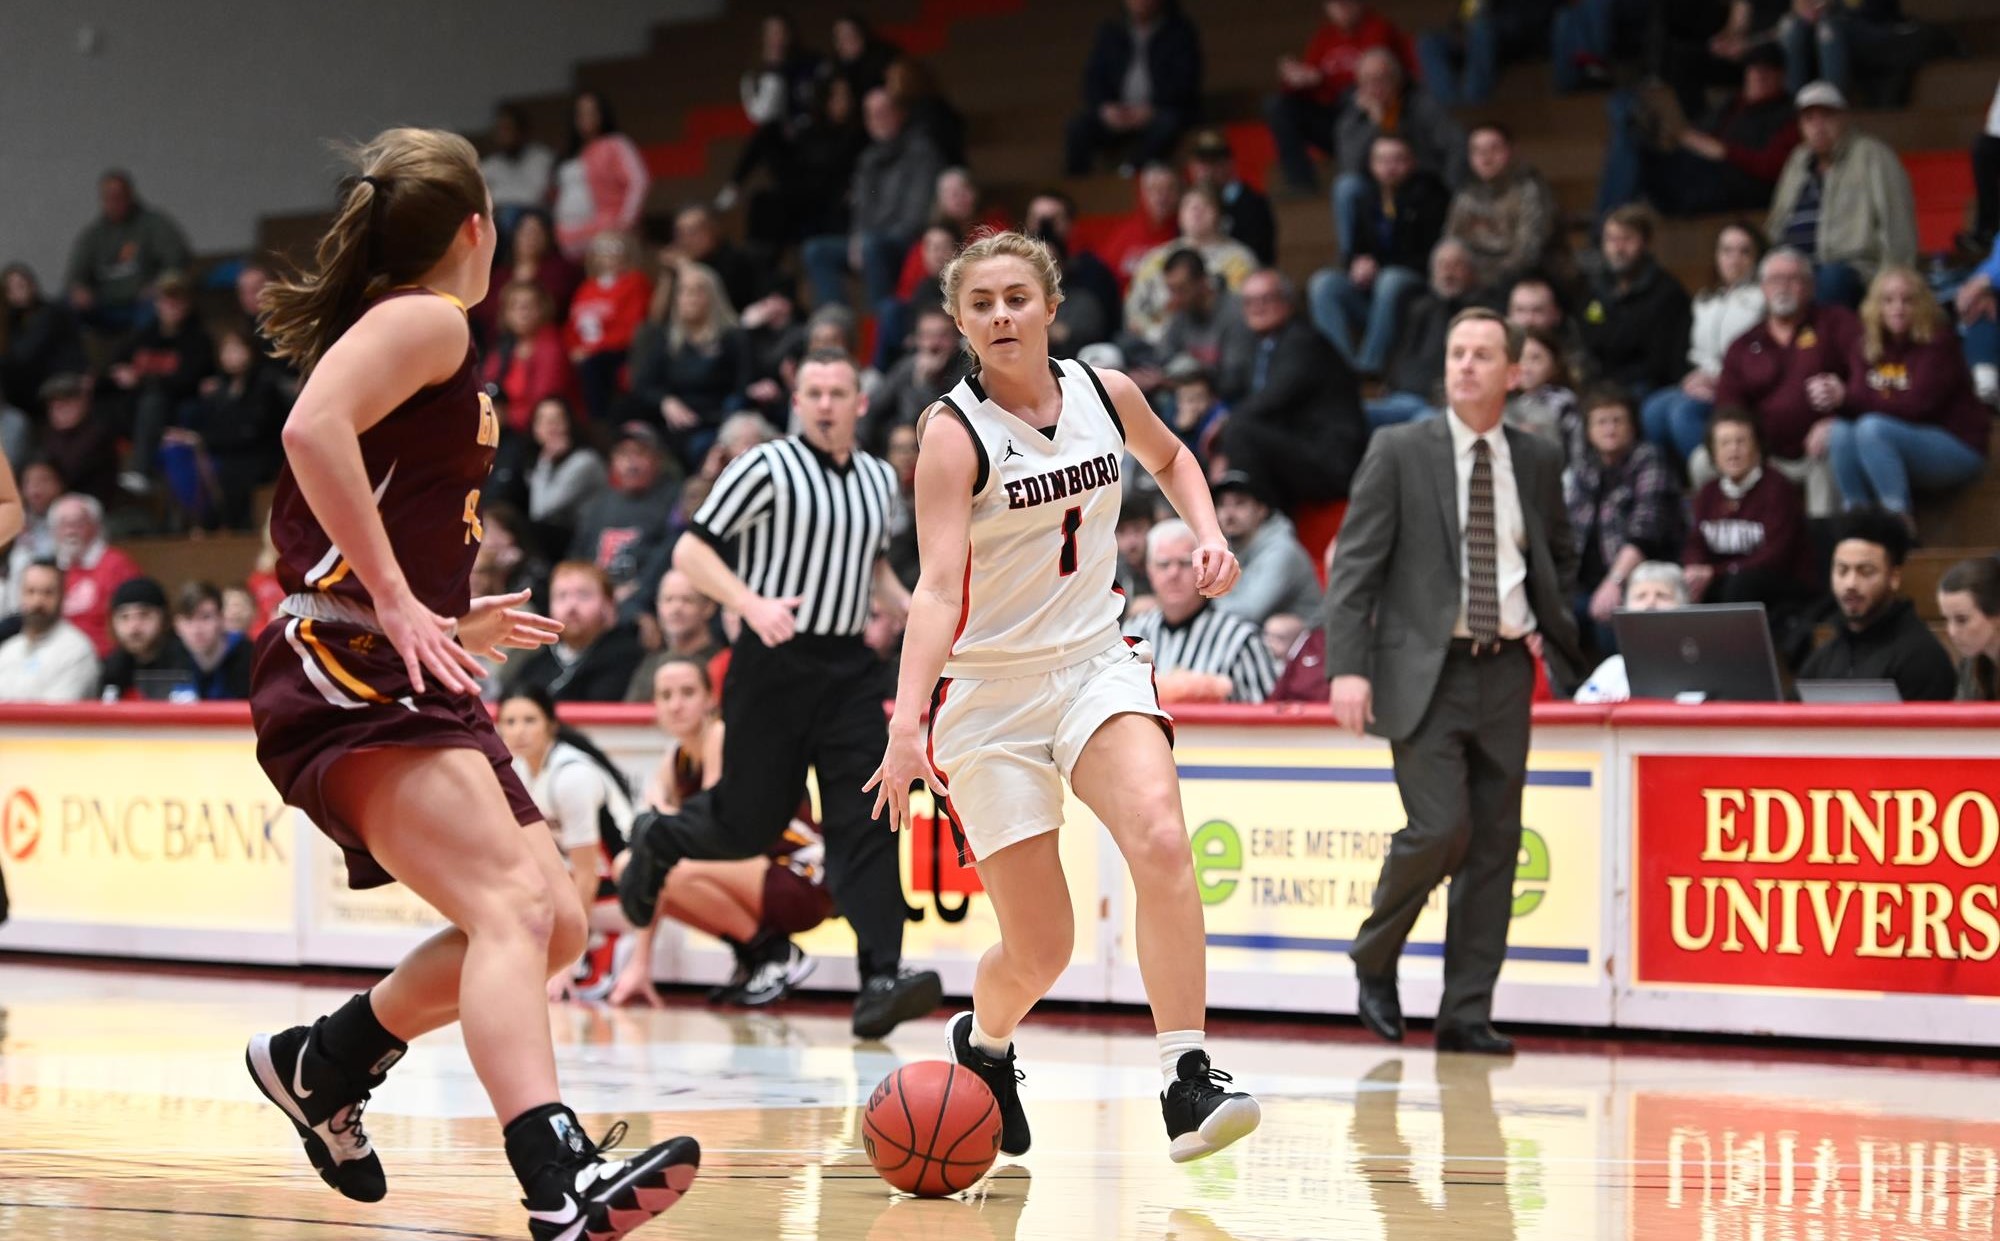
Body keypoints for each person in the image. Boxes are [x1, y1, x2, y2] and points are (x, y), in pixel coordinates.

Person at [238, 128, 698, 1236]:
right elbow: (311, 431)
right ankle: (555, 1170)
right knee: (506, 906)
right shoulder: (427, 317)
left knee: (551, 927)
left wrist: (434, 613)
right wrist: (397, 599)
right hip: (347, 663)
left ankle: (325, 1059)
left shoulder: (418, 329)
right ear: (478, 229)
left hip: (402, 656)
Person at [865, 229, 1259, 1164]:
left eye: (1017, 297)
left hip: (1093, 659)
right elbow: (934, 589)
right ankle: (985, 1042)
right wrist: (906, 720)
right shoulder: (950, 435)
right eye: (982, 303)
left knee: (1162, 835)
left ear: (1049, 306)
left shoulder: (1105, 392)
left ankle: (1186, 1072)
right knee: (1042, 947)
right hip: (988, 694)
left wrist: (1205, 532)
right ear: (961, 323)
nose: (1003, 315)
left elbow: (1174, 460)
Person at [615, 350, 943, 1041]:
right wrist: (748, 602)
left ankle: (880, 976)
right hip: (772, 662)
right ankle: (660, 834)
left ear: (860, 402)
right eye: (813, 392)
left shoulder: (882, 478)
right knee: (749, 825)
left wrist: (926, 616)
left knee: (870, 812)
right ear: (797, 402)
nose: (825, 404)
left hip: (849, 668)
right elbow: (690, 552)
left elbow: (873, 566)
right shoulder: (765, 466)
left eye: (838, 392)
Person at [1325, 307, 1585, 1056]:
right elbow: (1354, 571)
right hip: (1424, 671)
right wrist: (1348, 665)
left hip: (1505, 665)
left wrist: (1547, 617)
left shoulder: (1535, 458)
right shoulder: (1400, 447)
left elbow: (1558, 552)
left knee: (1496, 845)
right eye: (1456, 353)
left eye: (1483, 355)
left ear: (1514, 373)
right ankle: (1375, 953)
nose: (1466, 365)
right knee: (1441, 828)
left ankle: (1466, 1011)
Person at [612, 656, 832, 1008]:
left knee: (666, 864)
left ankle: (775, 953)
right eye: (665, 695)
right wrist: (640, 964)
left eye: (687, 692)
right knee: (631, 866)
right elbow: (650, 852)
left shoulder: (721, 736)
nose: (676, 704)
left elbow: (710, 829)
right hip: (754, 873)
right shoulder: (677, 757)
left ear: (710, 699)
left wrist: (661, 818)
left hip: (802, 874)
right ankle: (758, 957)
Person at [497, 685, 636, 1001]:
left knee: (526, 903)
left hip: (624, 889)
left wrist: (566, 961)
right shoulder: (516, 771)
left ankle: (590, 953)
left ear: (551, 725)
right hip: (585, 886)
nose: (519, 731)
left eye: (530, 720)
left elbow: (586, 874)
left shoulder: (572, 775)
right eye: (510, 721)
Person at [1829, 267, 1989, 523]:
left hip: (1956, 445)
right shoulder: (1865, 344)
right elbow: (1858, 398)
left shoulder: (1939, 343)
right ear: (1875, 306)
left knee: (1872, 428)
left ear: (1922, 305)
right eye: (1888, 300)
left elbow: (1917, 407)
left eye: (1908, 300)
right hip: (1895, 441)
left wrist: (1846, 400)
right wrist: (1839, 403)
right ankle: (1856, 521)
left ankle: (1898, 524)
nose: (1898, 308)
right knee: (1839, 432)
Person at [1707, 246, 1857, 514]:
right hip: (1763, 453)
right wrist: (1751, 446)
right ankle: (1728, 546)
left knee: (1833, 446)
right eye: (1775, 280)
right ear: (1762, 288)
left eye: (1793, 279)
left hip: (1817, 450)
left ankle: (1823, 549)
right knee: (1701, 462)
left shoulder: (1837, 324)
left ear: (1810, 287)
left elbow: (1867, 378)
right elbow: (1728, 408)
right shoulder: (1744, 344)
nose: (1783, 287)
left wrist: (1839, 417)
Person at [1595, 44, 1798, 222]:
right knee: (1623, 113)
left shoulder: (1788, 115)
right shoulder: (1733, 105)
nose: (1758, 76)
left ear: (1782, 76)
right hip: (1691, 170)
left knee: (1628, 137)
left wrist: (1725, 152)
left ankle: (1604, 231)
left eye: (1766, 71)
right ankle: (1633, 119)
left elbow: (1774, 168)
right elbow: (1694, 135)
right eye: (1753, 69)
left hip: (1726, 186)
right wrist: (1674, 135)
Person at [1220, 269, 1368, 508]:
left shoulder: (1303, 341)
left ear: (1287, 303)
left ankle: (1254, 519)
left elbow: (1271, 400)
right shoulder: (1261, 346)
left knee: (1241, 429)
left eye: (1266, 299)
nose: (1256, 308)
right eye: (1249, 302)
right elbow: (1228, 385)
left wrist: (1223, 427)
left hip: (1331, 462)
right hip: (1300, 449)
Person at [1306, 134, 1449, 375]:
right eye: (1382, 160)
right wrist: (1357, 263)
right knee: (1323, 283)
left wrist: (1379, 267)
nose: (1390, 167)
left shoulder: (1431, 193)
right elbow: (1357, 247)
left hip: (1414, 288)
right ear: (1371, 165)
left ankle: (1368, 367)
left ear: (1412, 162)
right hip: (1375, 293)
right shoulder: (1367, 196)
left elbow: (1432, 255)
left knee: (1390, 279)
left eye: (1398, 160)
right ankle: (1340, 368)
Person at [1764, 82, 1916, 309]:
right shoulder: (1798, 159)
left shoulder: (1872, 155)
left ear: (1844, 118)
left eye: (1826, 116)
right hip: (1794, 268)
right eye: (1809, 119)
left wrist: (1894, 281)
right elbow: (1777, 220)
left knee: (1831, 279)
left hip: (1852, 269)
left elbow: (1897, 224)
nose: (1817, 126)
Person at [801, 89, 944, 313]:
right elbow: (861, 210)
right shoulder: (868, 158)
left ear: (899, 114)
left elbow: (917, 213)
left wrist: (869, 241)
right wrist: (858, 239)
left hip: (906, 241)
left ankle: (879, 326)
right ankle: (836, 321)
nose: (877, 120)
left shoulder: (921, 150)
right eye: (870, 115)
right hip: (870, 242)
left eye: (883, 112)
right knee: (816, 250)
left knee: (872, 247)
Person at [1564, 389, 1683, 654]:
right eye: (1601, 422)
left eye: (1618, 420)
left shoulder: (1649, 460)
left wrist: (1614, 582)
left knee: (1612, 613)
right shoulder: (1585, 468)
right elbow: (1566, 531)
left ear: (1632, 426)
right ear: (1588, 431)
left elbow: (1646, 532)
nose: (1610, 428)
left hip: (1639, 577)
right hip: (1585, 579)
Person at [1640, 222, 1767, 464]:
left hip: (1735, 385)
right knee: (1652, 410)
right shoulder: (1704, 299)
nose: (1734, 259)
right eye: (1727, 251)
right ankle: (1667, 487)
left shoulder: (1762, 300)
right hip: (1700, 380)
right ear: (1717, 256)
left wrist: (1722, 380)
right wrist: (1690, 378)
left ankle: (1718, 480)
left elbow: (1760, 354)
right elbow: (1684, 350)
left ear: (1757, 257)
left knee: (1683, 413)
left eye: (1744, 251)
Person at [1796, 508, 1955, 700]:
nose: (1851, 584)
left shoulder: (1922, 657)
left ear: (1894, 577)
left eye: (1866, 571)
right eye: (1842, 570)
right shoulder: (1825, 657)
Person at [1265, 0, 1418, 193]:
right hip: (1333, 119)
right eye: (1335, 4)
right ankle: (1300, 183)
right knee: (1278, 105)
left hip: (1373, 119)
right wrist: (1295, 78)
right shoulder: (1324, 37)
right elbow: (1311, 81)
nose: (1342, 8)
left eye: (1347, 3)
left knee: (1353, 94)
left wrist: (1322, 78)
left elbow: (1375, 76)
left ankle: (1357, 168)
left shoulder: (1378, 28)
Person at [1331, 50, 1467, 261]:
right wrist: (1375, 124)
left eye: (1382, 79)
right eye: (1367, 80)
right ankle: (1353, 259)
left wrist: (1450, 188)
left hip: (1420, 184)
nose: (1375, 86)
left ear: (1398, 79)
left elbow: (1456, 144)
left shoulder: (1421, 104)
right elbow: (1350, 165)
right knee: (1346, 187)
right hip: (1377, 190)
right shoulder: (1353, 116)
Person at [1125, 520, 1280, 702]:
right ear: (1150, 572)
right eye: (1164, 564)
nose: (1173, 573)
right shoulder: (1132, 632)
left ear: (1206, 569)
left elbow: (1267, 718)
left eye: (1184, 563)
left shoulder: (1241, 639)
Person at [1682, 406, 1815, 615]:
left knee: (1740, 584)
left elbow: (1776, 556)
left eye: (1741, 441)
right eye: (1725, 443)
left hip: (1777, 585)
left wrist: (1716, 572)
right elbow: (1695, 543)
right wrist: (1694, 568)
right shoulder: (1709, 492)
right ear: (1713, 452)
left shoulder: (1778, 489)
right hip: (1725, 580)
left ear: (1757, 447)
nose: (1733, 450)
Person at [1065, 0, 1204, 176]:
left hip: (1158, 111)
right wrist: (1106, 108)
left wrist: (1151, 109)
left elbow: (1185, 81)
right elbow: (1093, 78)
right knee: (1078, 127)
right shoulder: (1111, 32)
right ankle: (1077, 181)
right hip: (1118, 113)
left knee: (1168, 123)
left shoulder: (1180, 31)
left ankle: (1132, 169)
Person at [1577, 206, 1694, 402]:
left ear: (1646, 242)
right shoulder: (1594, 288)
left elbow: (1661, 362)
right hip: (1601, 383)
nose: (1618, 248)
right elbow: (1588, 338)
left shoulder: (1667, 292)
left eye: (1627, 239)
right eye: (1611, 239)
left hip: (1646, 387)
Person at [64, 170, 193, 337]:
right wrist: (79, 290)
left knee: (159, 305)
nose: (114, 202)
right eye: (108, 197)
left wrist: (159, 284)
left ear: (130, 195)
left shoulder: (153, 224)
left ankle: (139, 353)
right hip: (104, 306)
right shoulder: (93, 234)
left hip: (143, 302)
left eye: (119, 196)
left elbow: (177, 259)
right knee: (63, 306)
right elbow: (75, 274)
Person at [1365, 239, 1476, 429]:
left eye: (1456, 265)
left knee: (1423, 426)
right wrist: (1389, 382)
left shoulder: (1478, 315)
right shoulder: (1416, 307)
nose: (1448, 272)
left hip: (1438, 404)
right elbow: (1400, 351)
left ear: (1471, 272)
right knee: (1356, 414)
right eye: (1442, 265)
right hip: (1401, 398)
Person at [1124, 191, 1259, 347]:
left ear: (1219, 213)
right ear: (1179, 214)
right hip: (1153, 343)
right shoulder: (1155, 259)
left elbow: (1242, 312)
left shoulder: (1241, 260)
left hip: (1217, 344)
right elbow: (1134, 310)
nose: (1196, 212)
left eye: (1205, 206)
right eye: (1189, 206)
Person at [1443, 123, 1559, 303]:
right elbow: (1452, 243)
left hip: (1525, 278)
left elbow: (1528, 251)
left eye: (1494, 149)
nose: (1485, 157)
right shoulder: (1466, 194)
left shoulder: (1530, 189)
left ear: (1511, 151)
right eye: (1477, 151)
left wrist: (1482, 277)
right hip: (1475, 280)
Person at [504, 561, 647, 703]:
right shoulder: (536, 663)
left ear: (609, 605)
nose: (571, 606)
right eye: (561, 596)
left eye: (584, 595)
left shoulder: (627, 657)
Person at [567, 423, 680, 599]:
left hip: (647, 599)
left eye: (640, 453)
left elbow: (669, 555)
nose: (631, 464)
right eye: (623, 454)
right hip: (594, 600)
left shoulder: (674, 500)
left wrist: (637, 591)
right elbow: (577, 557)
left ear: (658, 459)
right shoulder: (597, 505)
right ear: (612, 461)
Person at [1210, 471, 1321, 624]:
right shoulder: (1226, 547)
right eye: (1222, 504)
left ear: (1261, 510)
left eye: (1240, 503)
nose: (1229, 514)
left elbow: (1250, 612)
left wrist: (1195, 605)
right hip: (1258, 639)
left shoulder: (1282, 550)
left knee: (1277, 628)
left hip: (1308, 642)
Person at [563, 232, 652, 422]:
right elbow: (572, 326)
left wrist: (592, 350)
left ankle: (599, 424)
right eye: (603, 250)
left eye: (615, 249)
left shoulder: (635, 282)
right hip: (584, 355)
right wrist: (574, 349)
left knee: (594, 368)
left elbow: (633, 325)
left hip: (616, 354)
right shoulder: (586, 288)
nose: (609, 255)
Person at [551, 91, 650, 260]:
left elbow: (638, 181)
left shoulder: (616, 144)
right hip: (568, 236)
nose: (586, 117)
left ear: (603, 114)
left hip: (606, 231)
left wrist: (626, 220)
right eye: (581, 113)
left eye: (592, 112)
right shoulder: (569, 153)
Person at [1573, 561, 1687, 703]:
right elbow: (1580, 709)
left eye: (1662, 595)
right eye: (1641, 596)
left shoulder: (1697, 670)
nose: (1651, 603)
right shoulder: (1614, 668)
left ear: (1684, 607)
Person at [50, 492, 139, 657]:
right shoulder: (50, 569)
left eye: (79, 523)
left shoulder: (118, 564)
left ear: (96, 526)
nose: (71, 531)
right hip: (57, 657)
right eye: (64, 524)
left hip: (103, 657)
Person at [0, 560, 98, 702]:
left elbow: (56, 715)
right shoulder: (8, 650)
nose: (38, 601)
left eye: (47, 592)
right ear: (20, 595)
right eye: (30, 591)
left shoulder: (77, 651)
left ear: (62, 596)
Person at [623, 569, 723, 702]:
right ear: (658, 606)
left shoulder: (724, 662)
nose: (676, 609)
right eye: (668, 600)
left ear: (709, 607)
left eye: (687, 600)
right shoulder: (650, 664)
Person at [1186, 130, 1276, 266]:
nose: (1208, 171)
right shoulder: (1187, 203)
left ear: (1229, 163)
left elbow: (1261, 253)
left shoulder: (1253, 203)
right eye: (1202, 163)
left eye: (1215, 162)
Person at [99, 576, 195, 701]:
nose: (134, 627)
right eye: (124, 617)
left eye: (144, 615)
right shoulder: (112, 668)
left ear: (165, 619)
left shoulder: (187, 661)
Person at [480, 105, 556, 238]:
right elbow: (486, 203)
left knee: (510, 215)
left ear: (521, 131)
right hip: (501, 218)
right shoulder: (489, 166)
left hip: (536, 216)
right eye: (500, 130)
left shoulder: (542, 158)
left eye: (508, 129)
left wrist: (503, 201)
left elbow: (535, 195)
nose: (504, 135)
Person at [173, 580, 254, 700]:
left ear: (222, 619)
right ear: (176, 625)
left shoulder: (251, 657)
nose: (197, 629)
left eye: (206, 617)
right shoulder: (170, 658)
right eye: (188, 619)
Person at [1936, 556, 2000, 702]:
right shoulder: (1969, 664)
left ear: (1996, 614)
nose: (1951, 632)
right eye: (1947, 619)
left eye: (1962, 620)